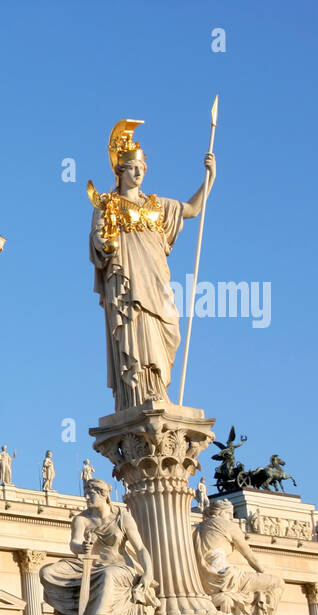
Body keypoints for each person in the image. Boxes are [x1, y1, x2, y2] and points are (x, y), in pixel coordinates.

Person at [90, 120, 215, 410]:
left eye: (143, 168)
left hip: (157, 282)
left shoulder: (158, 207)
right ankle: (139, 396)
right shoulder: (107, 206)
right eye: (133, 168)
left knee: (169, 329)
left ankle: (159, 390)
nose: (139, 172)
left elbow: (193, 210)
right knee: (136, 332)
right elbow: (97, 238)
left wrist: (209, 178)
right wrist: (105, 245)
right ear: (120, 170)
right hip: (129, 284)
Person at [39, 479, 159, 615]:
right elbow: (74, 543)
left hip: (119, 567)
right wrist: (82, 547)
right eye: (86, 494)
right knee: (47, 572)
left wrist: (148, 573)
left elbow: (141, 549)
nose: (87, 498)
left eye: (91, 494)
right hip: (88, 564)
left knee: (108, 575)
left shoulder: (122, 517)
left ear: (104, 495)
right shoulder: (81, 520)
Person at [194, 499, 283, 615]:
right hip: (225, 578)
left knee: (256, 590)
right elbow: (249, 556)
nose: (232, 517)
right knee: (277, 583)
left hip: (205, 581)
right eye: (230, 514)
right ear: (221, 512)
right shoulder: (228, 525)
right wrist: (263, 573)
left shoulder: (198, 528)